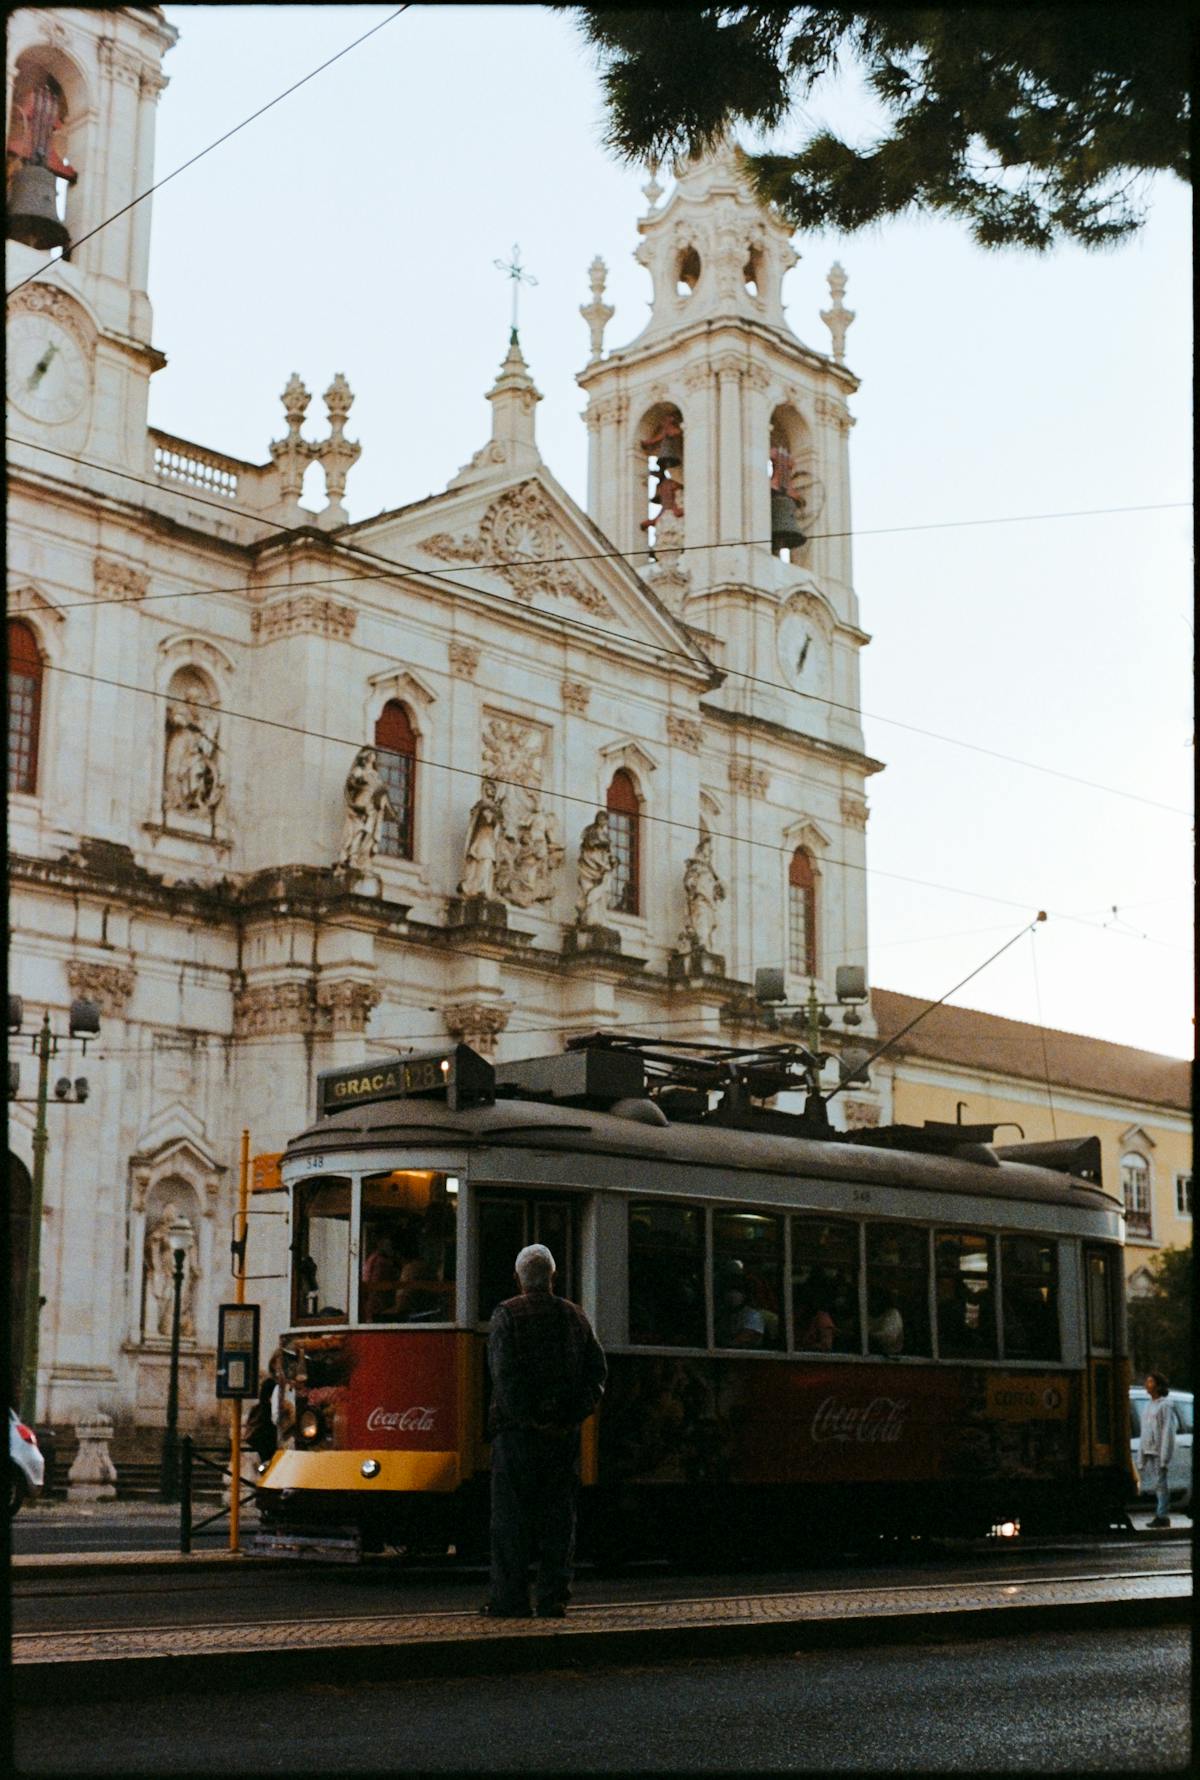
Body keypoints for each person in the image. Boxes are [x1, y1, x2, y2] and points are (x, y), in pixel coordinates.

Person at [482, 1244, 607, 1619]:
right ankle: (553, 1598)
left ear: (518, 1278)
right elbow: (596, 1374)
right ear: (553, 1277)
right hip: (562, 1436)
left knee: (510, 1520)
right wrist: (570, 1416)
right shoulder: (576, 1317)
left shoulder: (507, 1315)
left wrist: (528, 1417)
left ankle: (510, 1599)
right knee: (558, 1519)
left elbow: (504, 1376)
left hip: (516, 1436)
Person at [1137, 1370, 1177, 1527]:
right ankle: (1161, 1513)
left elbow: (1167, 1430)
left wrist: (1164, 1455)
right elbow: (1144, 1430)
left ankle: (1162, 1515)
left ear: (1159, 1386)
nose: (1147, 1384)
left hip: (1158, 1450)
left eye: (1151, 1382)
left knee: (1161, 1484)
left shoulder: (1165, 1406)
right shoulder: (1148, 1406)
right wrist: (1141, 1453)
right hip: (1149, 1449)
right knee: (1157, 1484)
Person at [714, 1258, 765, 1349]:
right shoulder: (722, 1315)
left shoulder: (753, 1316)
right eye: (729, 1289)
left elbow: (739, 1342)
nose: (733, 1294)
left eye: (737, 1290)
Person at [360, 1234, 400, 1322]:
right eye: (388, 1244)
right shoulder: (381, 1262)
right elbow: (375, 1286)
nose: (390, 1247)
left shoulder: (373, 1258)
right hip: (379, 1309)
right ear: (380, 1243)